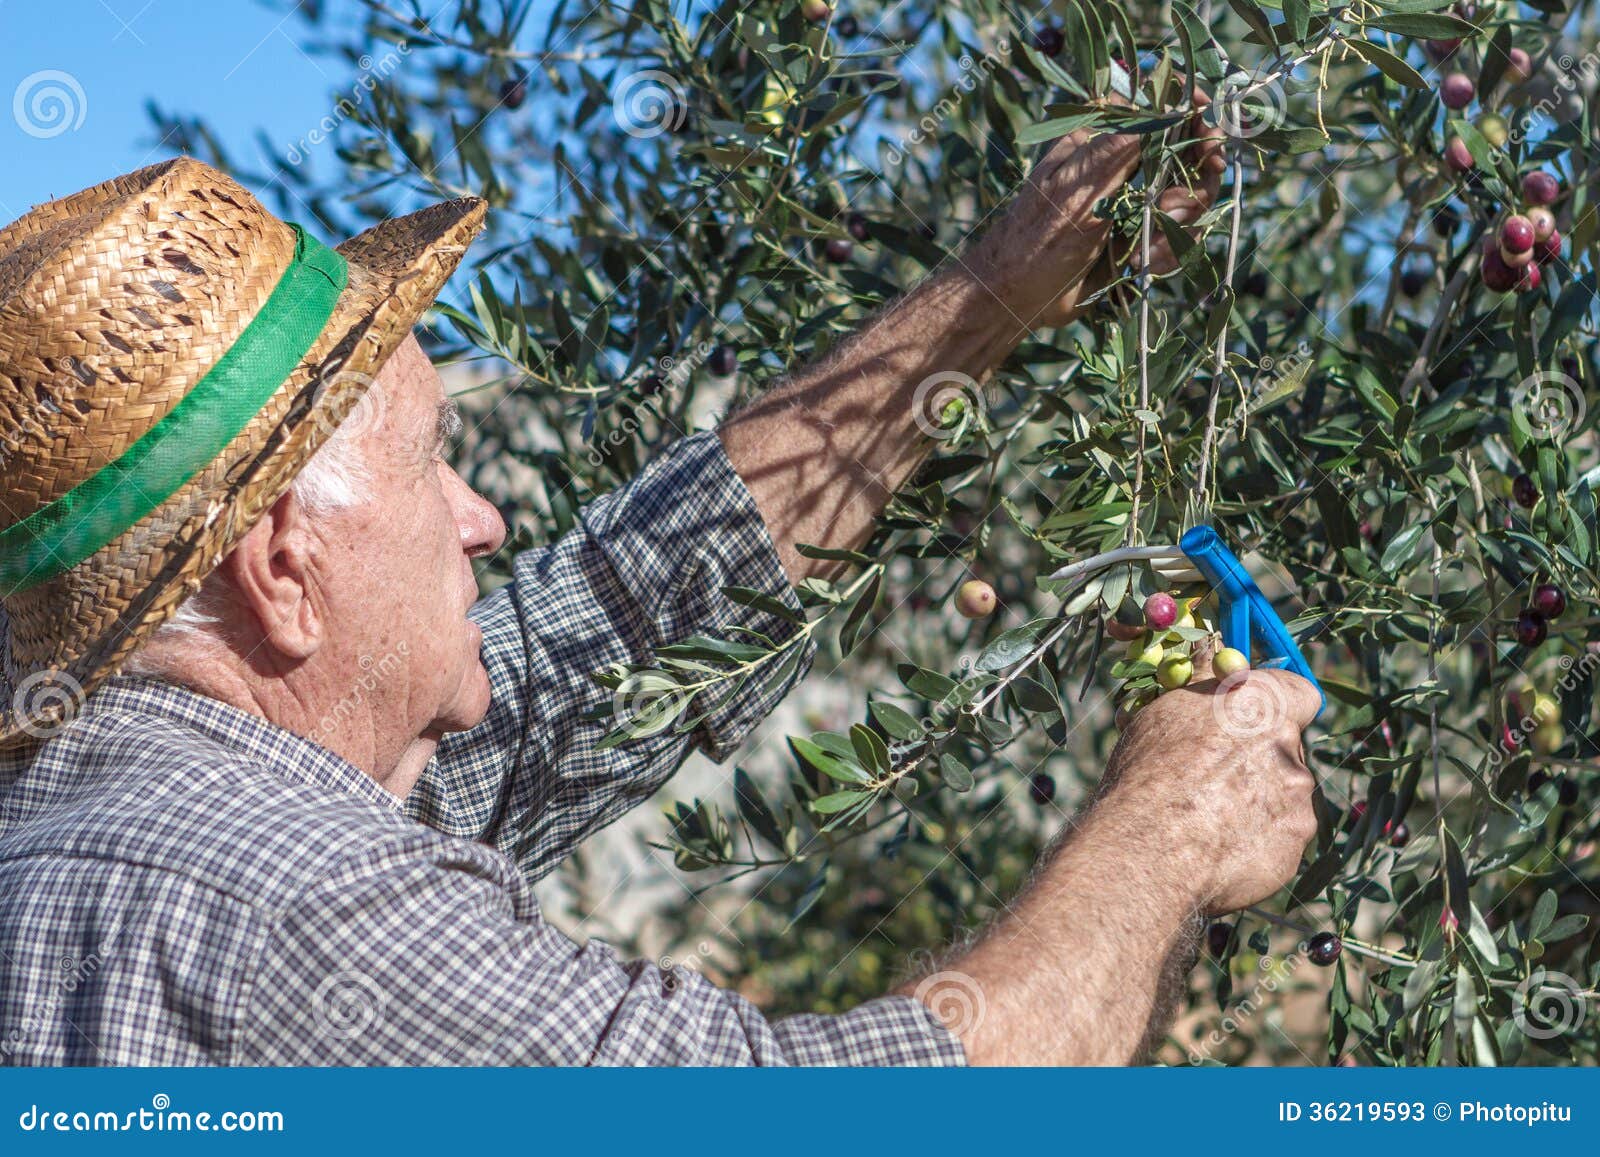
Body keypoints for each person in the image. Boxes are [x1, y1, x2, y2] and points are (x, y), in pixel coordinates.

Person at [0, 103, 1317, 1065]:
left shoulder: (131, 803)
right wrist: (1174, 826)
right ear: (286, 569)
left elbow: (624, 615)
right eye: (433, 463)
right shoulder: (306, 906)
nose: (484, 517)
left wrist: (989, 294)